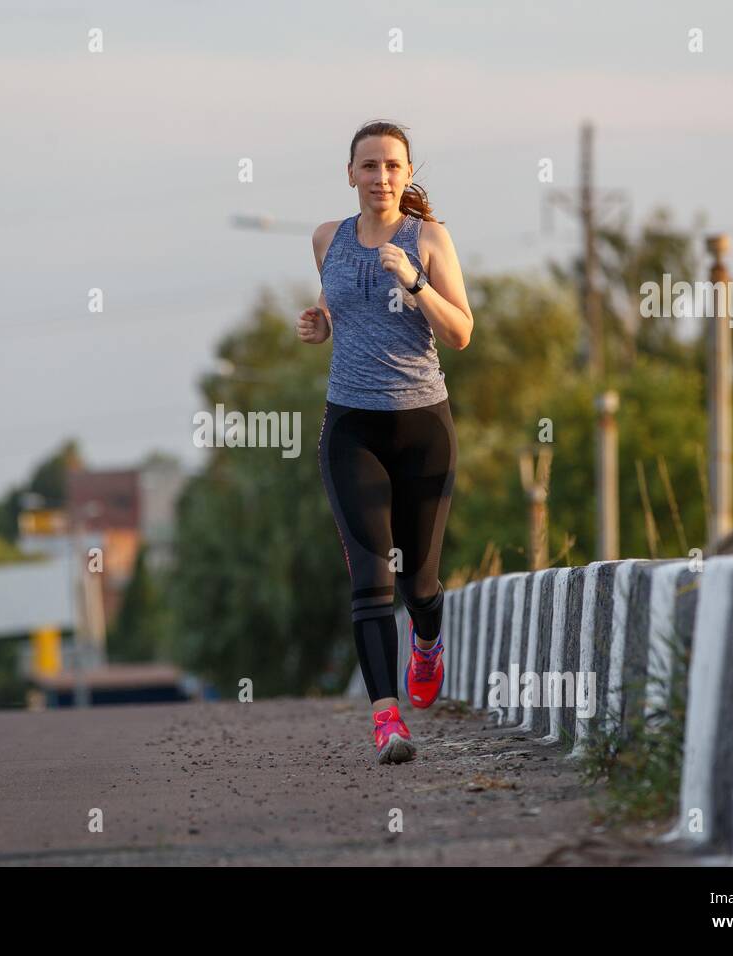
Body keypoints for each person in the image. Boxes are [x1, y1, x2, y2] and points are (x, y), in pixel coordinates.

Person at [297, 120, 475, 764]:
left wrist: (416, 282)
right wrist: (318, 323)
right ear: (351, 175)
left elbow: (461, 332)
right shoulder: (328, 239)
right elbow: (335, 304)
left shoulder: (428, 238)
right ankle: (386, 721)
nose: (381, 178)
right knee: (370, 577)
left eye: (393, 167)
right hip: (351, 427)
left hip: (422, 426)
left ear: (407, 174)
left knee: (419, 582)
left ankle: (427, 642)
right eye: (368, 167)